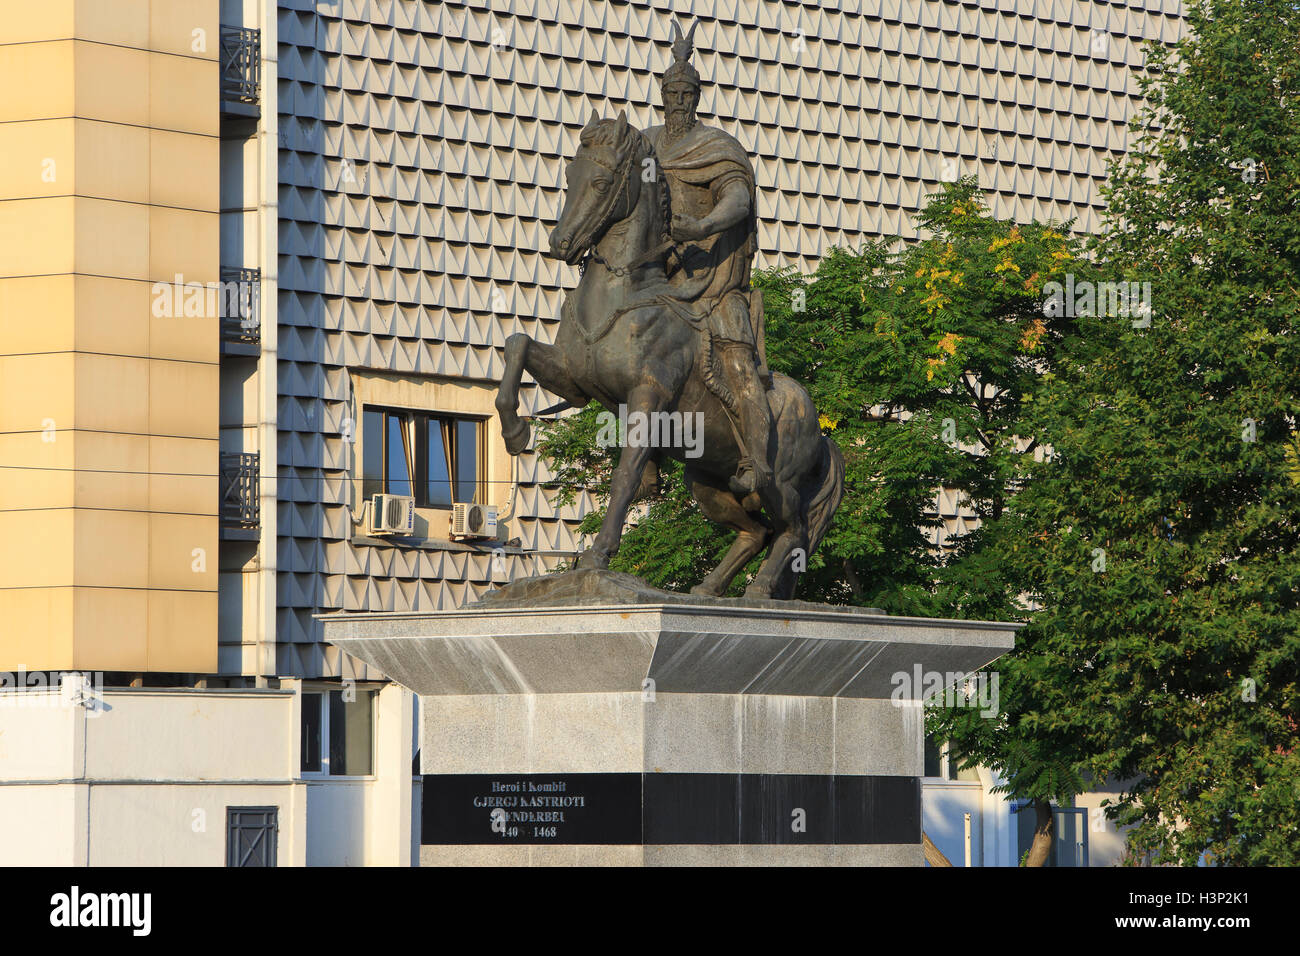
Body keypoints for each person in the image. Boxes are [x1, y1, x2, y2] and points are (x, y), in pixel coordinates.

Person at [645, 23, 774, 497]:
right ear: (662, 95)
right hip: (660, 274)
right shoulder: (646, 145)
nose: (677, 101)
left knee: (740, 367)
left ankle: (756, 462)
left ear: (697, 97)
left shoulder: (716, 147)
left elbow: (737, 200)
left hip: (712, 279)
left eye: (686, 94)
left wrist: (700, 227)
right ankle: (647, 458)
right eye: (670, 93)